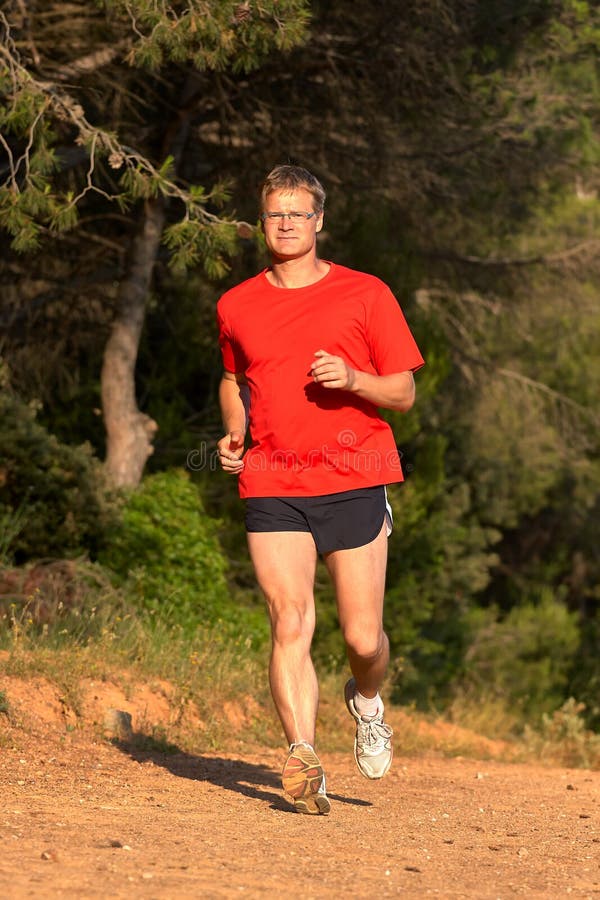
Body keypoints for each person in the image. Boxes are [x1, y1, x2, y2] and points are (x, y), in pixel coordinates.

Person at [216, 164, 424, 815]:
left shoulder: (365, 295)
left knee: (364, 640)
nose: (285, 224)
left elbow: (405, 392)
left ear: (319, 222)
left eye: (297, 214)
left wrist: (354, 379)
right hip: (273, 480)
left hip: (355, 475)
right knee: (290, 620)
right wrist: (233, 431)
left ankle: (366, 703)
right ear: (263, 221)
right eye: (275, 213)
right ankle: (303, 756)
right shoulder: (236, 304)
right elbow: (233, 376)